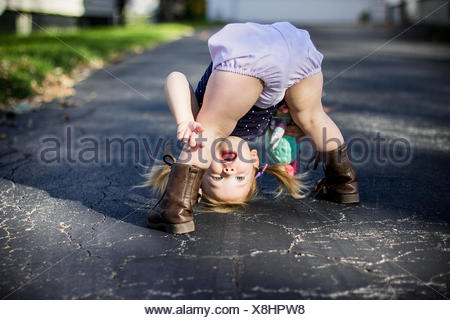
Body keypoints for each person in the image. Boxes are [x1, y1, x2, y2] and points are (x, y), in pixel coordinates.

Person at [145, 22, 359, 234]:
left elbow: (176, 78)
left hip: (249, 53)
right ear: (255, 160)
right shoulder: (257, 129)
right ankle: (342, 183)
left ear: (199, 175)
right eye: (239, 178)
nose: (229, 171)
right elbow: (296, 109)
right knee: (313, 118)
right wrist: (298, 121)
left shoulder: (198, 119)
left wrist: (184, 119)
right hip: (296, 49)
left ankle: (175, 209)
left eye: (218, 178)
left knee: (207, 131)